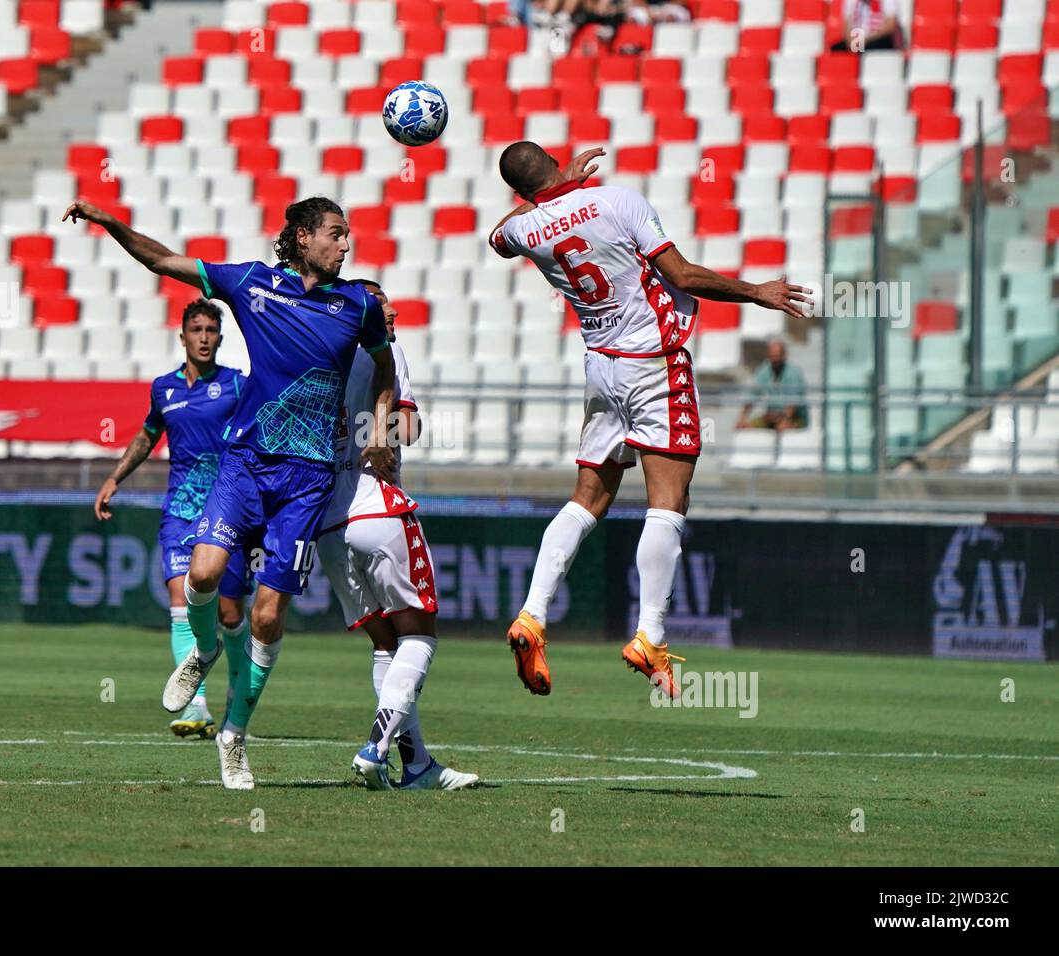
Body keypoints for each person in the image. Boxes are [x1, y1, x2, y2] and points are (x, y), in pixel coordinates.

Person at [64, 196, 396, 790]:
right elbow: (162, 261)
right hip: (244, 464)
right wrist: (112, 222)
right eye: (336, 235)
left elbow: (385, 366)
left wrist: (380, 429)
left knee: (268, 618)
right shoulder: (252, 283)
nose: (346, 245)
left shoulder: (359, 305)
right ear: (300, 238)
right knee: (203, 577)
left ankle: (234, 736)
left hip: (308, 477)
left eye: (348, 236)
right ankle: (205, 650)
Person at [487, 142, 810, 698]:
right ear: (555, 163)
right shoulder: (617, 201)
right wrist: (756, 293)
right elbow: (681, 276)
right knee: (668, 501)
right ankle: (649, 636)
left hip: (600, 369)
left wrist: (549, 191)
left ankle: (533, 615)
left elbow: (498, 234)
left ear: (522, 191)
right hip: (653, 365)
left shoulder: (527, 231)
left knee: (586, 500)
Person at [316, 279, 478, 791]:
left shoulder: (316, 355)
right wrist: (390, 427)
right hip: (376, 509)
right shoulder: (386, 352)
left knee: (386, 645)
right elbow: (406, 429)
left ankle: (417, 765)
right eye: (381, 308)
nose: (391, 318)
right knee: (420, 634)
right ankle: (375, 747)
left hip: (326, 525)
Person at [93, 301, 250, 739]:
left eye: (211, 329)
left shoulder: (239, 386)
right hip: (179, 513)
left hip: (227, 512)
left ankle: (239, 699)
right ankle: (196, 706)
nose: (203, 337)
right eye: (195, 329)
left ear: (220, 337)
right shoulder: (164, 388)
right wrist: (115, 477)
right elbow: (148, 434)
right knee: (181, 606)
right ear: (181, 337)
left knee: (231, 614)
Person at [737, 338, 809, 431]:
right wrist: (742, 418)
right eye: (771, 356)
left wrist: (785, 420)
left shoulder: (793, 373)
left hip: (795, 418)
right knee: (745, 427)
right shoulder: (764, 370)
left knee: (783, 428)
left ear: (784, 356)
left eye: (777, 356)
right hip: (772, 417)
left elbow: (793, 402)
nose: (774, 360)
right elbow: (752, 394)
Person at [830, 0, 903, 52]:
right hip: (858, 40)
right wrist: (852, 41)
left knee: (876, 46)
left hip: (877, 39)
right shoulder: (851, 1)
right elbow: (846, 25)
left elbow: (890, 25)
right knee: (837, 49)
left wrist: (866, 39)